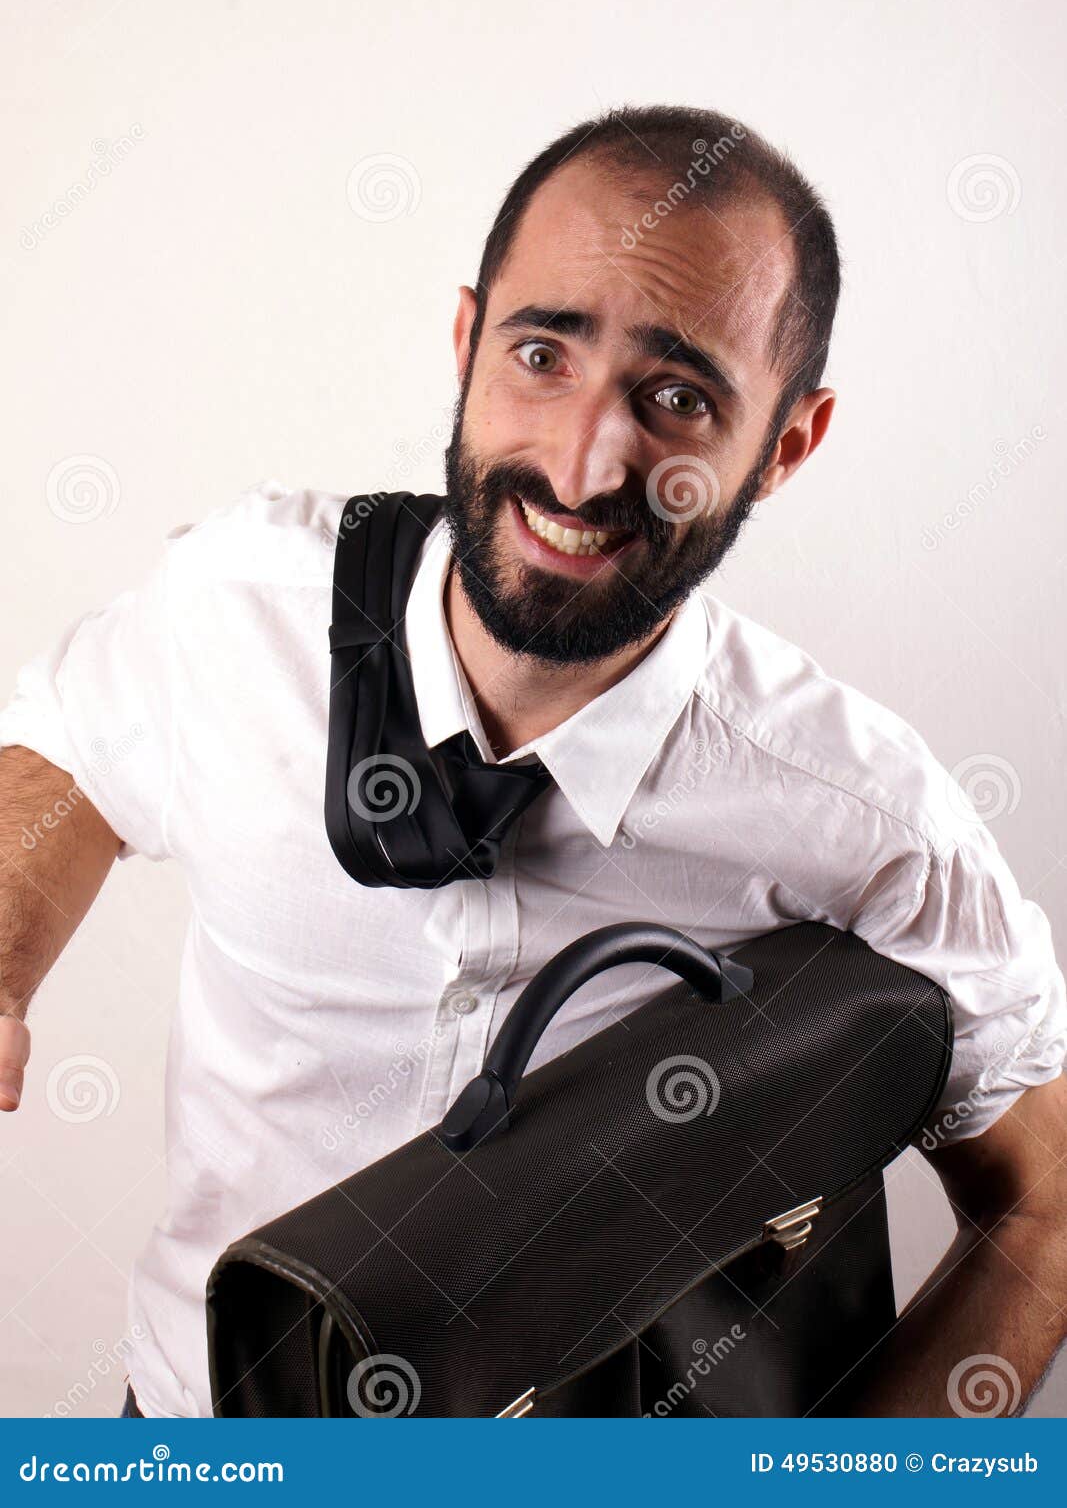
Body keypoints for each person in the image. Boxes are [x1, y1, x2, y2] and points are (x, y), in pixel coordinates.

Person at [1, 105, 1065, 1420]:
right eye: (543, 353)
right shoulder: (237, 607)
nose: (581, 464)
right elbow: (69, 748)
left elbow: (1046, 1205)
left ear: (786, 445)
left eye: (679, 398)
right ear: (467, 343)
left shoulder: (873, 822)